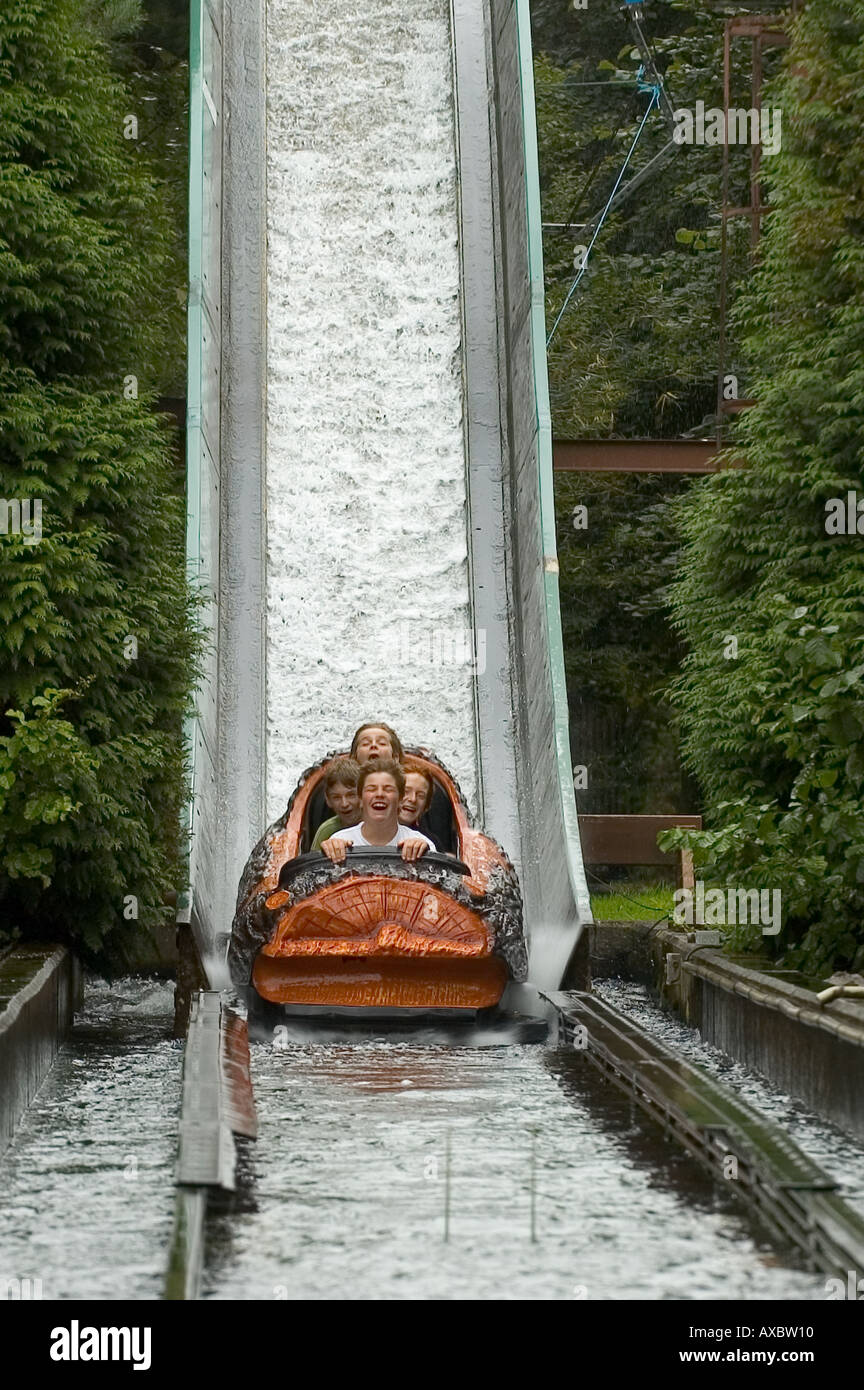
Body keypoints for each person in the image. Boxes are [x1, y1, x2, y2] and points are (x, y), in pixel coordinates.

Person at [320, 759, 434, 863]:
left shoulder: (422, 845)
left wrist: (424, 857)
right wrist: (330, 852)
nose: (379, 794)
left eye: (388, 789)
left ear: (400, 799)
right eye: (371, 789)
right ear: (360, 798)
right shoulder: (340, 841)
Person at [310, 757, 362, 851]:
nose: (344, 804)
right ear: (328, 800)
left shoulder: (377, 823)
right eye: (336, 797)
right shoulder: (326, 831)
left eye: (351, 795)